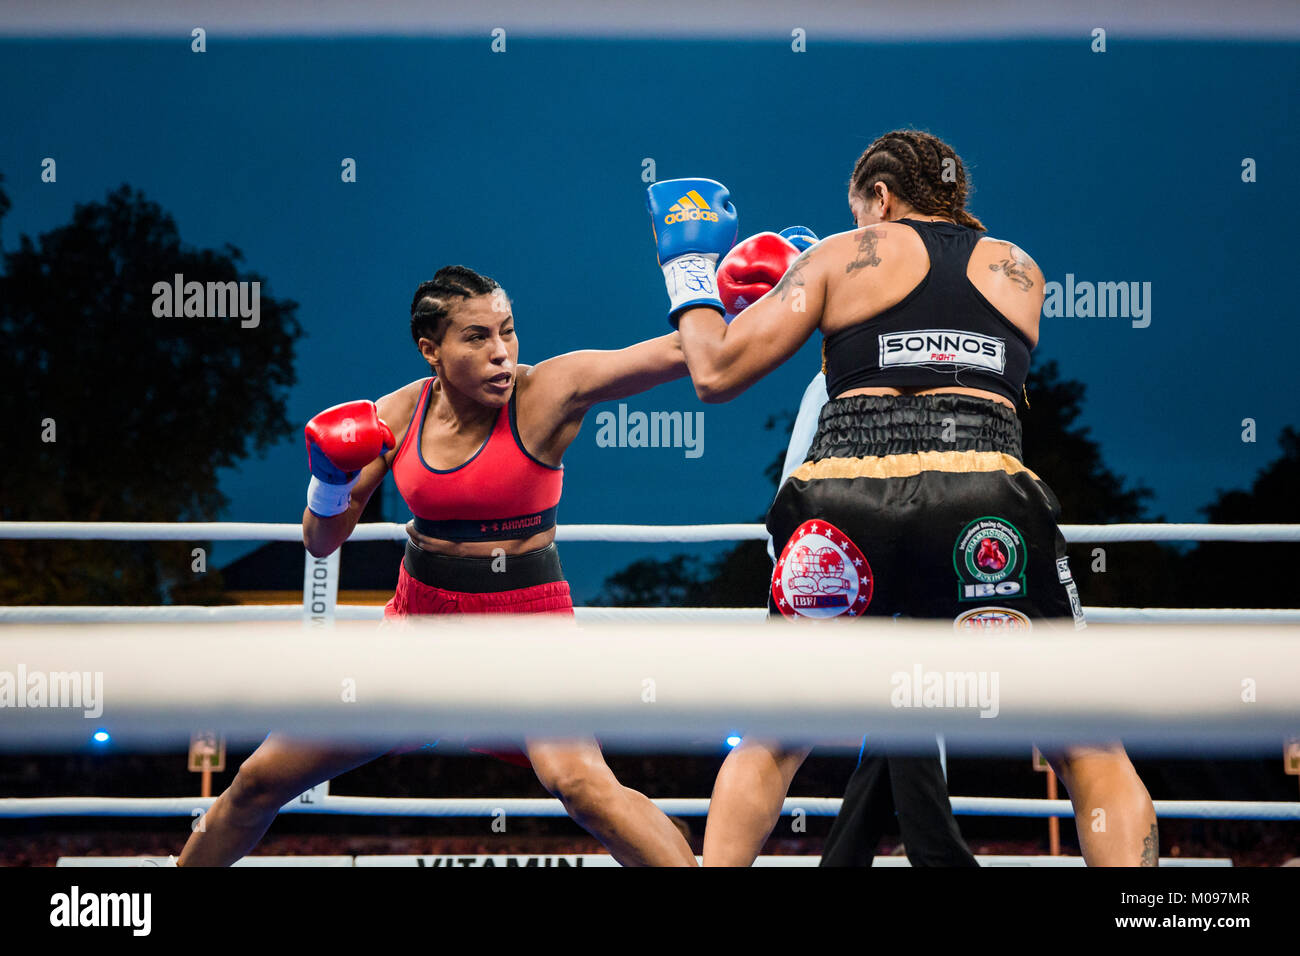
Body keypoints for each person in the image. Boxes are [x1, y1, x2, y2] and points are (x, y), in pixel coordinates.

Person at [645, 130, 1158, 866]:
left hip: (842, 501)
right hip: (985, 499)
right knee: (1088, 746)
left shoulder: (836, 258)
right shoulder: (1020, 269)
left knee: (773, 737)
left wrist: (691, 271)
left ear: (879, 197)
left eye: (860, 212)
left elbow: (715, 372)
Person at [178, 265, 700, 867]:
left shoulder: (550, 390)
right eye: (477, 337)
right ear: (431, 349)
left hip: (529, 629)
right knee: (259, 779)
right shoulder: (396, 416)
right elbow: (321, 541)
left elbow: (679, 352)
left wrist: (723, 288)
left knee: (582, 786)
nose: (501, 352)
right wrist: (327, 482)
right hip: (417, 626)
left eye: (507, 331)